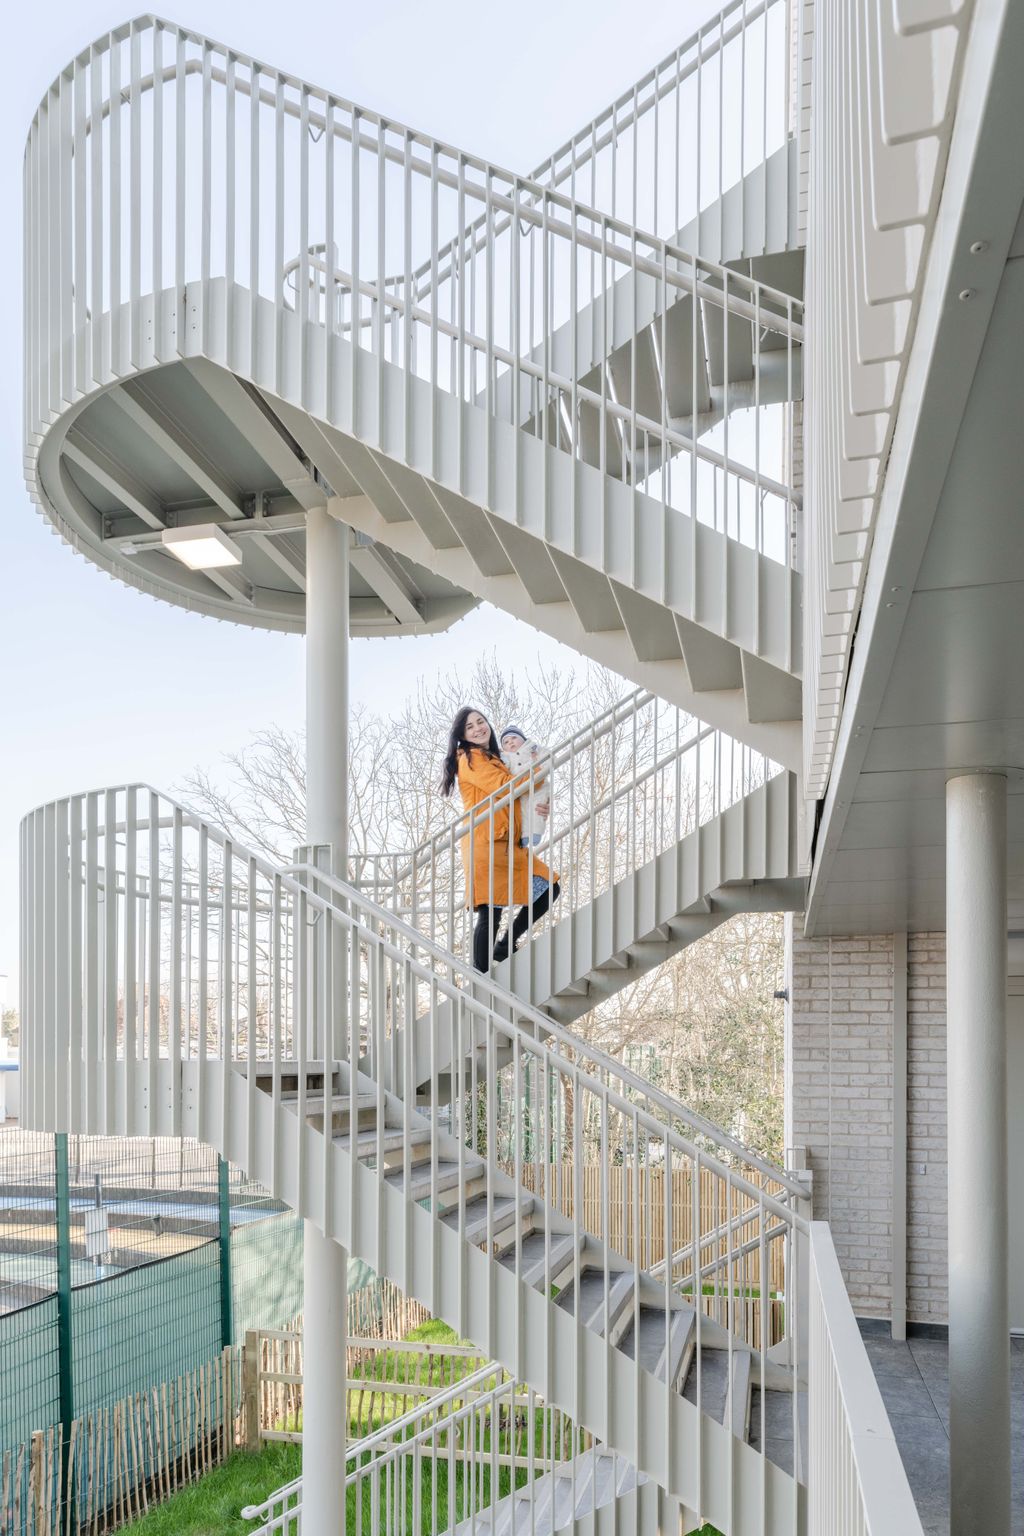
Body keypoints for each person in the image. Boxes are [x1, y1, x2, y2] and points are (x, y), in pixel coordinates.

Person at [440, 707, 560, 972]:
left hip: (508, 844)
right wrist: (538, 768)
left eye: (481, 722)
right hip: (485, 842)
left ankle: (505, 944)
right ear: (462, 734)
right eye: (470, 727)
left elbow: (521, 791)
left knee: (549, 887)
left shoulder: (494, 756)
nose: (478, 728)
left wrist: (540, 806)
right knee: (490, 912)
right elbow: (508, 786)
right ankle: (480, 976)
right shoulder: (470, 758)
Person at [499, 725, 551, 849]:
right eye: (506, 742)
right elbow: (504, 768)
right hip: (521, 788)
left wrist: (542, 769)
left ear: (523, 739)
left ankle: (536, 833)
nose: (510, 742)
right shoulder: (507, 757)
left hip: (539, 786)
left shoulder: (532, 748)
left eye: (514, 738)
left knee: (537, 809)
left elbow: (548, 756)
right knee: (522, 811)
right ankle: (524, 835)